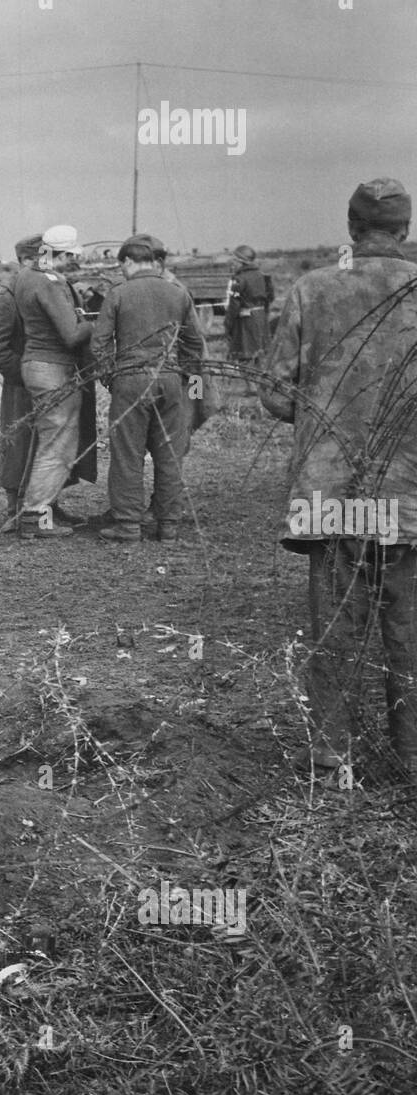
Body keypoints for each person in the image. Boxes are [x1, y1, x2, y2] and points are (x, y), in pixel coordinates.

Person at [260, 177, 417, 779]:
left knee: (335, 635)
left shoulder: (313, 289)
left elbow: (276, 395)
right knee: (407, 631)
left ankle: (334, 761)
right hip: (408, 497)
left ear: (351, 227)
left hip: (333, 495)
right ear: (404, 229)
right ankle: (410, 758)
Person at [90, 235, 205, 542]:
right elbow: (195, 343)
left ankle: (127, 524)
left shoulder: (118, 293)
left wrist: (110, 378)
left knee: (128, 453)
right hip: (170, 380)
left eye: (121, 265)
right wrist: (188, 383)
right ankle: (168, 524)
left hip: (130, 380)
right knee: (170, 454)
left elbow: (99, 343)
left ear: (128, 262)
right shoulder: (177, 293)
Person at [12, 224, 95, 539]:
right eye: (68, 257)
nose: (71, 263)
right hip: (53, 369)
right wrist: (93, 323)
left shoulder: (25, 278)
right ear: (53, 254)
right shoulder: (48, 284)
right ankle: (36, 517)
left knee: (50, 440)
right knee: (57, 445)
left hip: (37, 365)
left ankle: (35, 511)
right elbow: (72, 334)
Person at [0, 235, 41, 533]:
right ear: (25, 260)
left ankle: (45, 506)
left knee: (43, 445)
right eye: (38, 258)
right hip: (20, 384)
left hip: (46, 383)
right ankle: (14, 510)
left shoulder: (40, 287)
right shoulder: (9, 295)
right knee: (17, 444)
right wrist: (21, 374)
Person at [225, 244, 271, 389]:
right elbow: (270, 296)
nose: (232, 263)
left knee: (244, 356)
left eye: (234, 260)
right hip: (261, 317)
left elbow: (234, 304)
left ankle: (251, 388)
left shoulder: (238, 279)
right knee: (259, 355)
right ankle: (262, 386)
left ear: (241, 261)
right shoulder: (262, 276)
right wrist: (263, 313)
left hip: (245, 320)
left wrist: (228, 324)